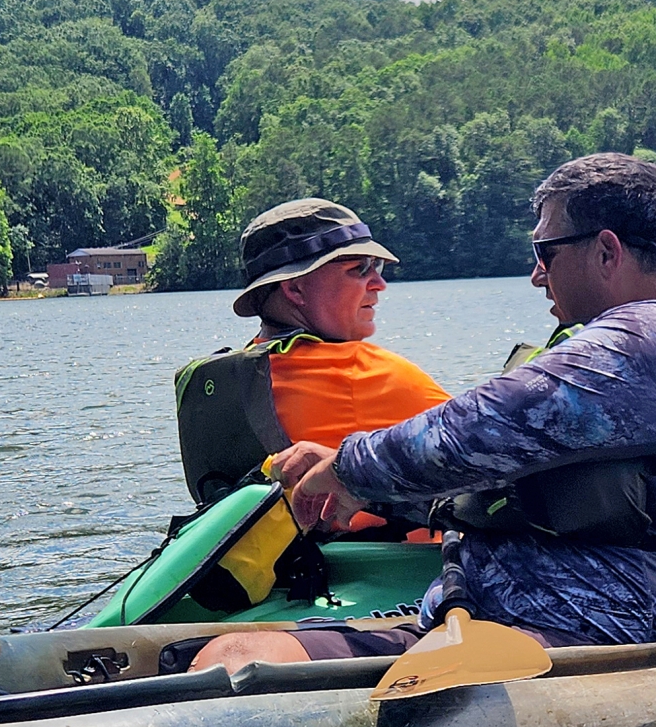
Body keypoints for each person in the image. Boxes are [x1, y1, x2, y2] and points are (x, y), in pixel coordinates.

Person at [191, 154, 656, 672]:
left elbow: (481, 427)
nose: (535, 275)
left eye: (544, 251)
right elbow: (503, 482)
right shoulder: (634, 347)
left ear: (606, 251)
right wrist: (363, 492)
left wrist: (349, 470)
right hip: (485, 617)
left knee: (251, 675)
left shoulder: (651, 336)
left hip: (607, 627)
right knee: (236, 657)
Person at [173, 198, 450, 507]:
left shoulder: (236, 378)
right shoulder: (363, 372)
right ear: (295, 290)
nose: (379, 283)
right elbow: (496, 449)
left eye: (378, 267)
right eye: (358, 268)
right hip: (400, 553)